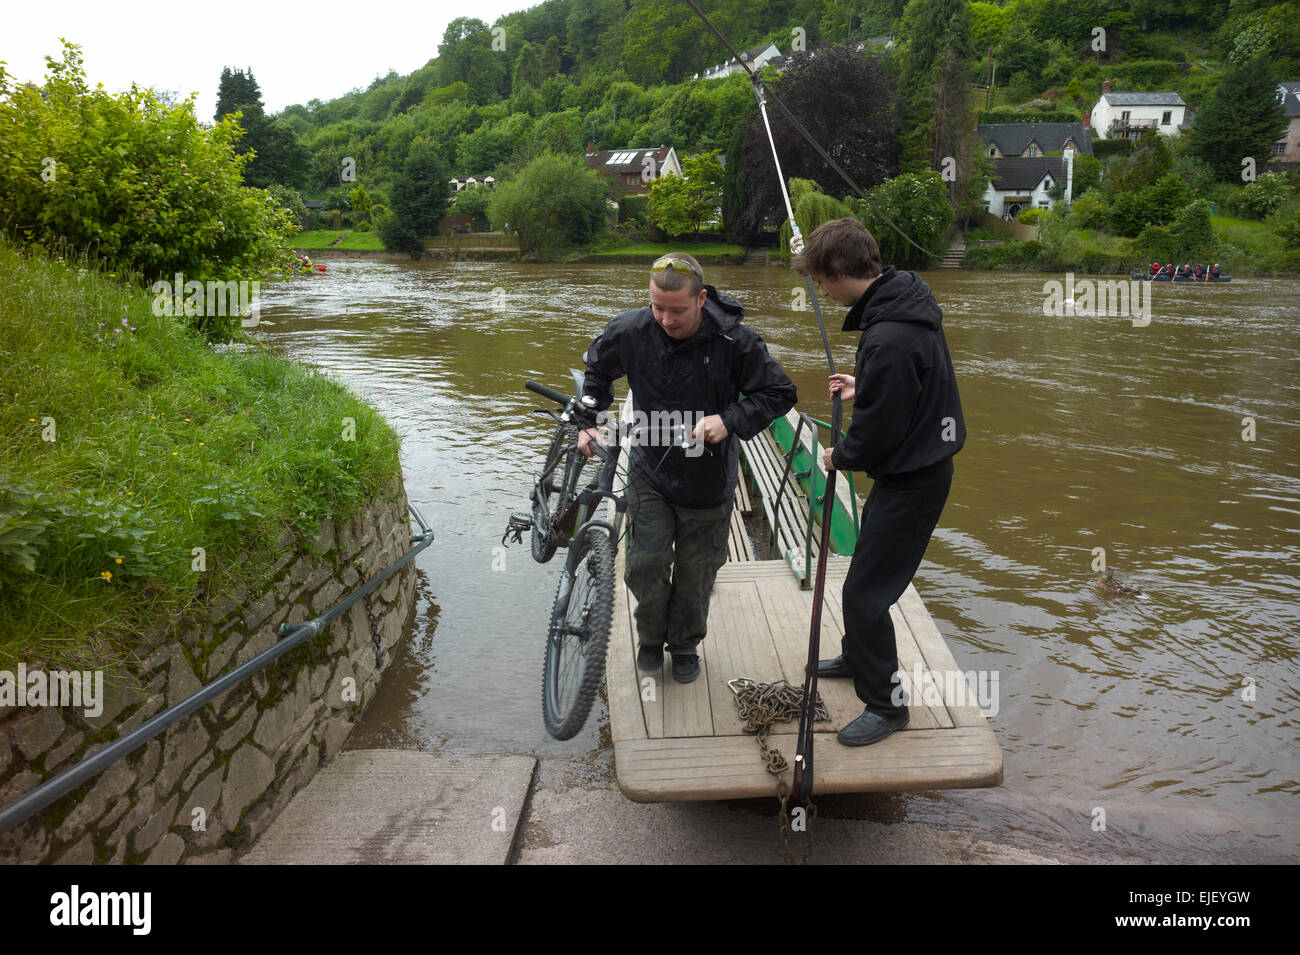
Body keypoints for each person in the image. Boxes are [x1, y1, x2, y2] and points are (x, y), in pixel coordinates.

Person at [578, 253, 797, 683]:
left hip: (708, 476)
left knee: (698, 572)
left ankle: (683, 645)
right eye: (657, 308)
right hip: (648, 468)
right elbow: (596, 374)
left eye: (677, 310)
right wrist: (587, 423)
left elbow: (778, 393)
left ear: (701, 299)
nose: (666, 320)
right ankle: (649, 639)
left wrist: (729, 420)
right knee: (646, 562)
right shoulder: (630, 331)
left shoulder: (737, 343)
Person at [790, 218, 965, 746]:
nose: (819, 290)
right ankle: (857, 654)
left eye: (821, 280)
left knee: (865, 594)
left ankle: (886, 707)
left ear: (841, 272)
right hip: (918, 467)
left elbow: (878, 433)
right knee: (867, 577)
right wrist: (865, 384)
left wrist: (838, 455)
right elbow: (910, 384)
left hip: (913, 479)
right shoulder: (906, 305)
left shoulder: (887, 335)